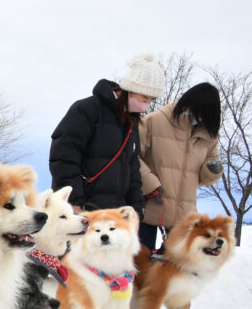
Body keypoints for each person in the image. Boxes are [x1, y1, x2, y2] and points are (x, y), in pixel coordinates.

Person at [49, 53, 165, 216]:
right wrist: (74, 201)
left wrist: (137, 209)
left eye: (151, 100)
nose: (145, 105)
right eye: (144, 97)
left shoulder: (131, 123)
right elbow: (63, 157)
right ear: (130, 90)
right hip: (83, 211)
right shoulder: (86, 109)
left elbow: (133, 169)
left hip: (115, 216)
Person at [137, 82, 223, 250]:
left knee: (175, 265)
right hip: (148, 204)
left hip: (184, 216)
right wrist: (150, 184)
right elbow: (130, 156)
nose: (202, 117)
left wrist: (213, 170)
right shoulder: (155, 121)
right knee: (140, 261)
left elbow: (206, 177)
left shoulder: (210, 136)